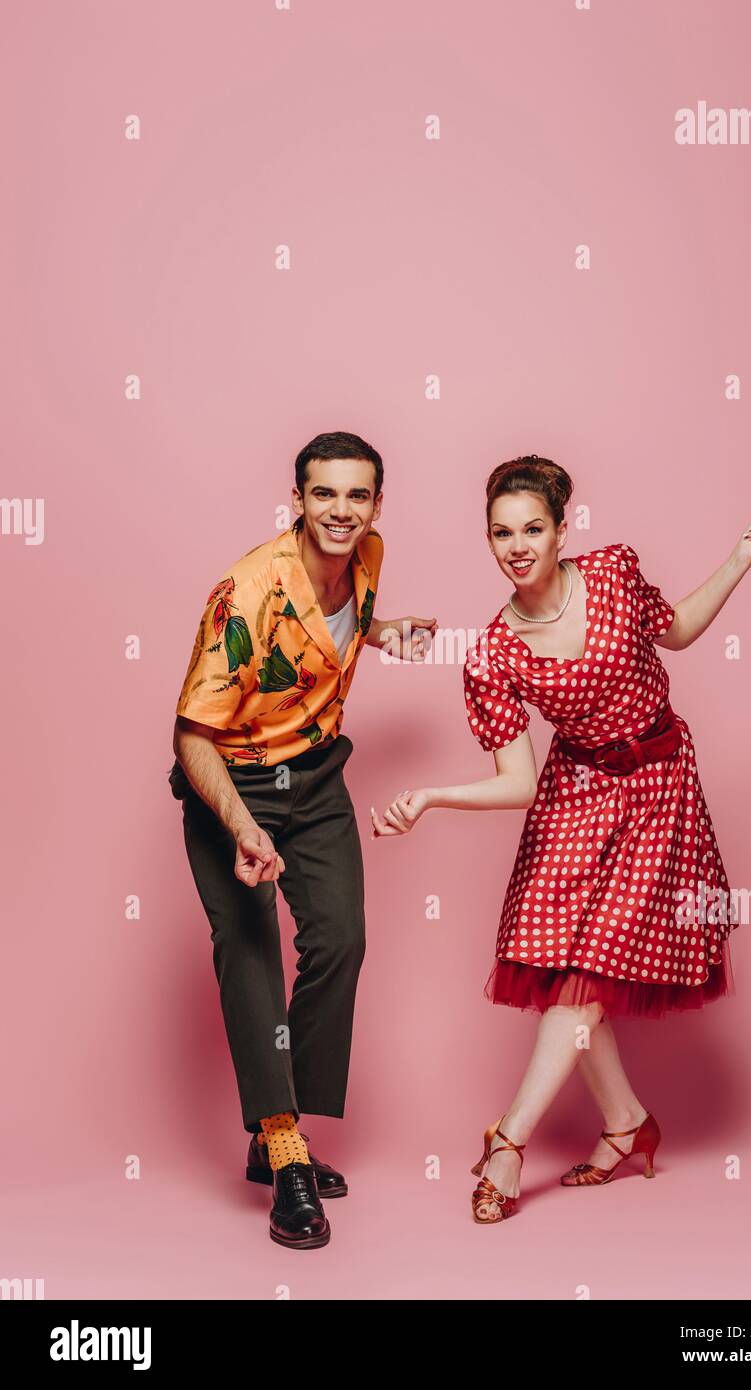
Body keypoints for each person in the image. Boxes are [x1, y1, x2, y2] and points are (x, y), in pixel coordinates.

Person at [371, 455, 751, 1224]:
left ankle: (507, 1142)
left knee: (585, 979)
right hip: (572, 797)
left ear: (563, 530)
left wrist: (741, 558)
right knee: (567, 974)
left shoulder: (616, 575)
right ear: (486, 540)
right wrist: (430, 796)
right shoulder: (492, 651)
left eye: (532, 528)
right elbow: (518, 781)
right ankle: (626, 1126)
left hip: (658, 789)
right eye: (500, 532)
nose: (516, 545)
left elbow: (682, 631)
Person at [167, 430, 435, 1249]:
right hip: (233, 786)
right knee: (248, 951)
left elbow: (328, 634)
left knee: (341, 940)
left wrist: (379, 632)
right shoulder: (246, 591)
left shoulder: (367, 555)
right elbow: (190, 734)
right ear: (297, 498)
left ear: (377, 505)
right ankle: (283, 1153)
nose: (341, 511)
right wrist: (241, 825)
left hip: (314, 778)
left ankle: (276, 1121)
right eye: (325, 494)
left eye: (358, 496)